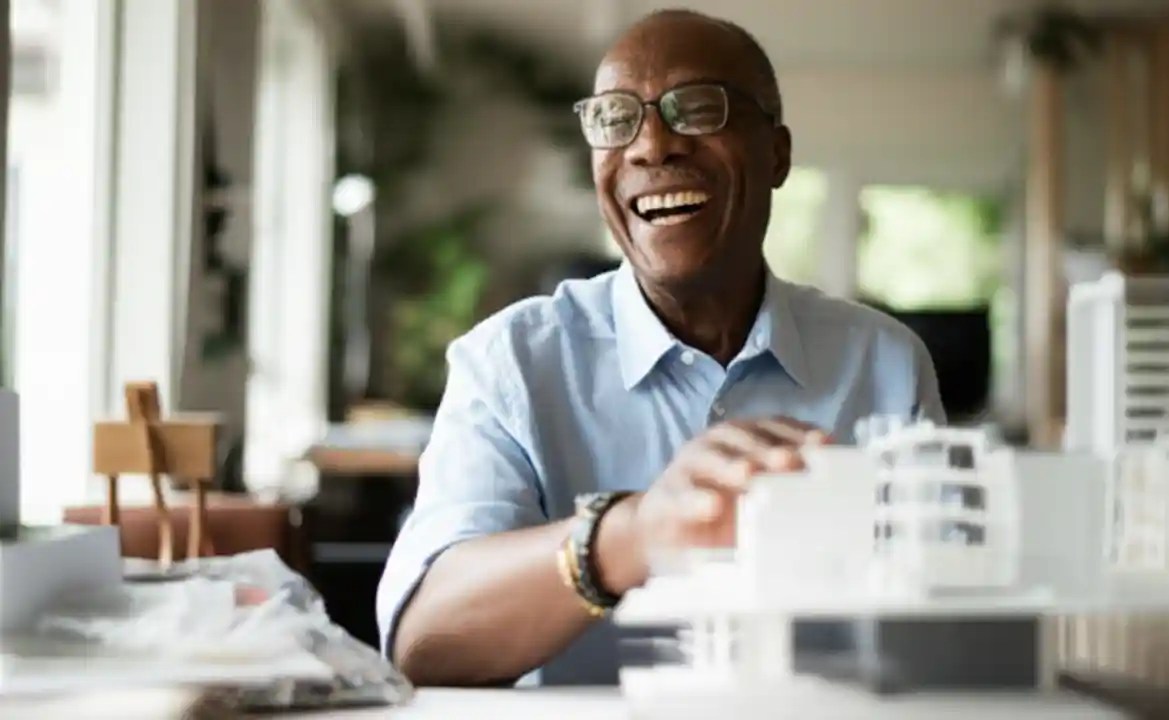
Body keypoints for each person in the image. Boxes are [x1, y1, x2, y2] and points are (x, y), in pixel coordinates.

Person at [377, 8, 944, 687]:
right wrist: (633, 534)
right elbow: (425, 642)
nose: (651, 146)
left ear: (778, 154)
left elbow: (934, 623)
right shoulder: (512, 364)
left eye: (698, 109)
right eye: (616, 119)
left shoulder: (883, 364)